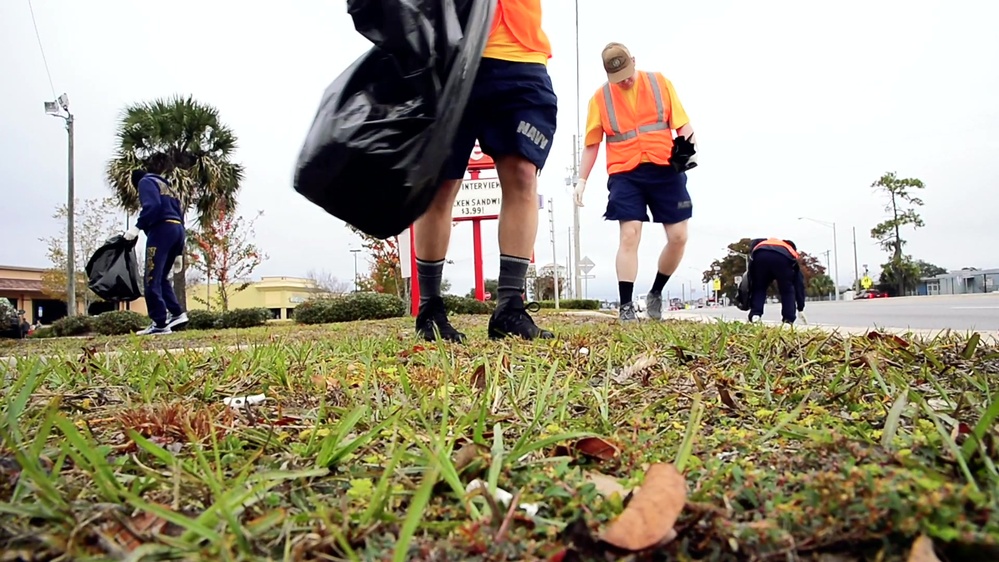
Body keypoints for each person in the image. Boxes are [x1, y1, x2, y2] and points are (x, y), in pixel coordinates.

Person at [412, 0, 557, 342]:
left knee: (523, 173)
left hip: (521, 56)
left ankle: (509, 305)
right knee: (441, 185)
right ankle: (430, 308)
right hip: (449, 53)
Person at [573, 42, 698, 322]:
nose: (625, 80)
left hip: (665, 167)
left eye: (628, 72)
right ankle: (626, 306)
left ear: (633, 60)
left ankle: (655, 293)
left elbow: (683, 124)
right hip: (625, 172)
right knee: (629, 234)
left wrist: (689, 149)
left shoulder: (659, 83)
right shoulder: (600, 99)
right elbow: (592, 144)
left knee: (678, 238)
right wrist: (582, 180)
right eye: (618, 78)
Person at [124, 162, 189, 335]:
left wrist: (137, 227)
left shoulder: (145, 182)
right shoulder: (167, 187)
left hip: (161, 231)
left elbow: (152, 206)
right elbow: (180, 216)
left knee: (151, 278)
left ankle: (159, 323)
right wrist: (178, 252)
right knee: (161, 279)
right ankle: (177, 313)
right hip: (177, 230)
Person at [747, 238, 806, 324]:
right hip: (782, 259)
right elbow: (798, 284)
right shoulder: (789, 251)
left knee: (759, 287)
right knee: (787, 290)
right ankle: (788, 320)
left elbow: (750, 277)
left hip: (760, 255)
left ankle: (755, 315)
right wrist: (800, 307)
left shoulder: (762, 244)